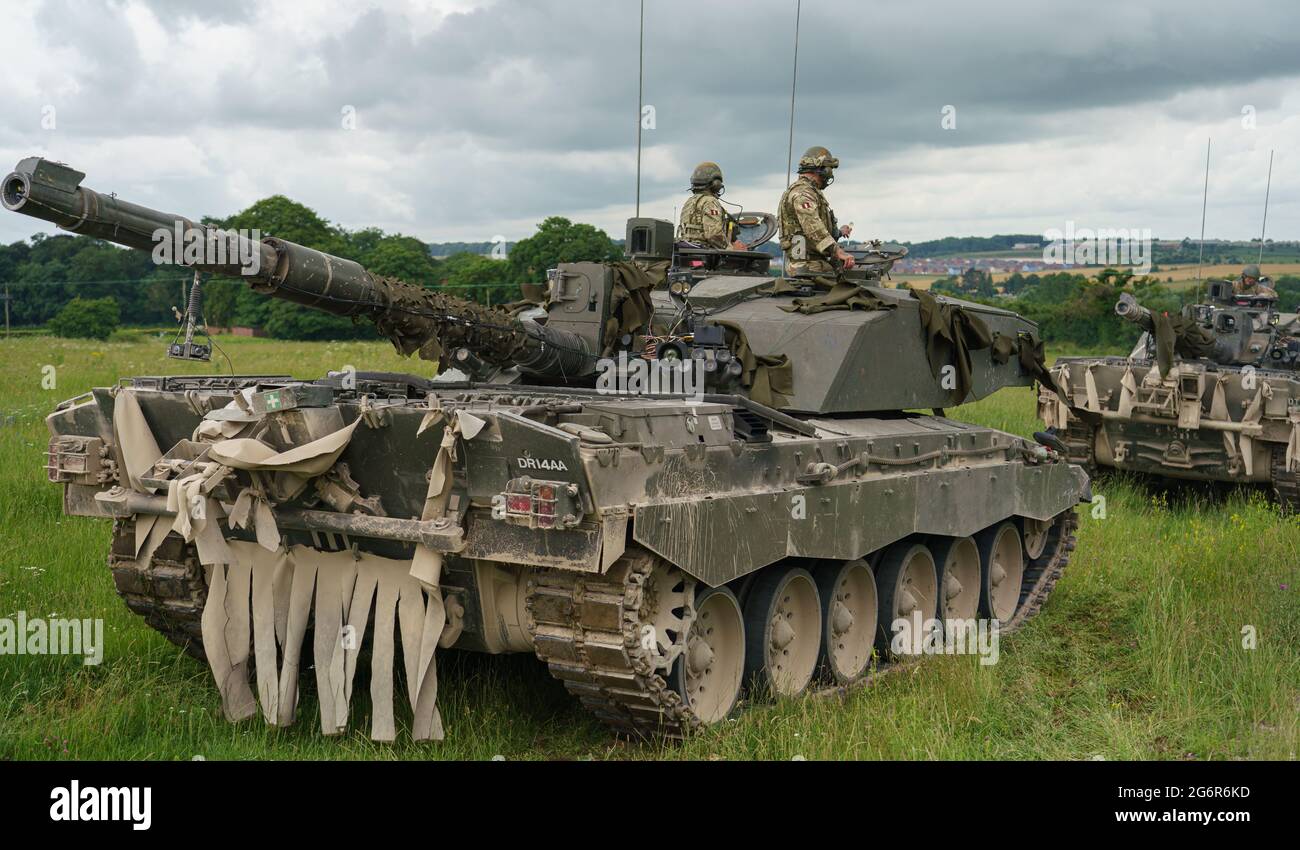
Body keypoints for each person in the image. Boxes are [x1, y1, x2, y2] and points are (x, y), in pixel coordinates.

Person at [778, 146, 856, 276]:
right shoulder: (803, 193)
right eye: (829, 169)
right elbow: (812, 226)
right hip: (808, 267)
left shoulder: (811, 192)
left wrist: (838, 232)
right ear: (823, 170)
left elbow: (812, 229)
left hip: (814, 263)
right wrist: (838, 251)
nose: (830, 174)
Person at [677, 162, 747, 250]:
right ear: (716, 184)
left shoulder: (689, 202)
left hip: (687, 250)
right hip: (705, 252)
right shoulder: (710, 202)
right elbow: (713, 235)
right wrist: (732, 249)